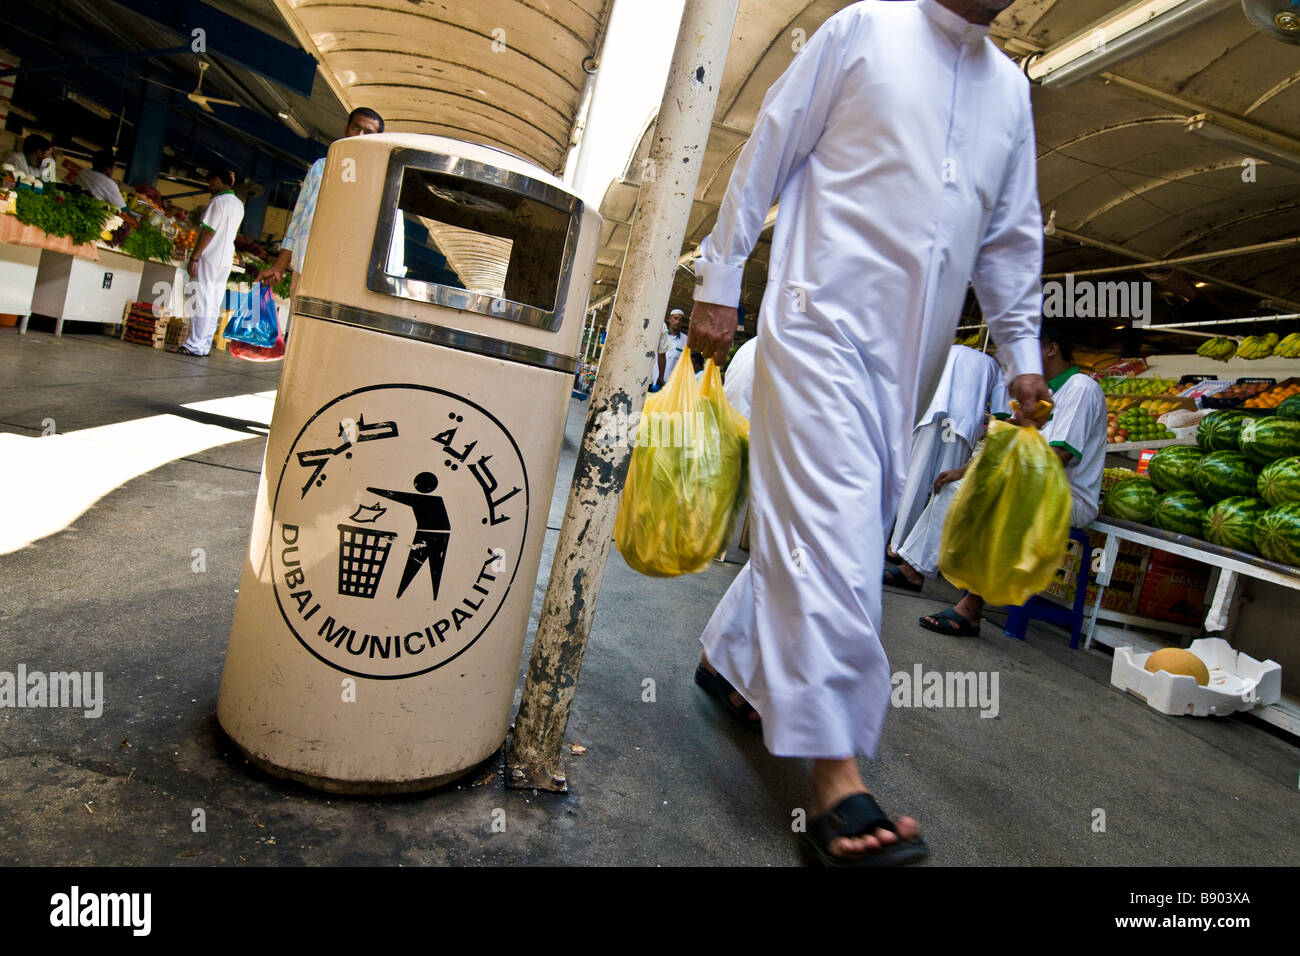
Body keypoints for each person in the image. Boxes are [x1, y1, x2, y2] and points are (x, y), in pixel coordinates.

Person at [685, 0, 1050, 866]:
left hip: (910, 367)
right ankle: (838, 782)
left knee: (839, 528)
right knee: (839, 534)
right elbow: (771, 141)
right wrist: (720, 274)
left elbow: (1010, 237)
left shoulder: (1009, 92)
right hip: (818, 328)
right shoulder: (865, 29)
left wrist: (1024, 349)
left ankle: (729, 661)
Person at [905, 321, 1107, 634]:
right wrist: (967, 470)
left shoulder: (1080, 388)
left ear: (1051, 349)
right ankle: (914, 568)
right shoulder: (1043, 393)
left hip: (1069, 496)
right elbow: (1013, 445)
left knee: (998, 499)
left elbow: (1059, 457)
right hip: (1038, 485)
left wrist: (995, 476)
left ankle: (972, 608)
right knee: (954, 485)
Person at [883, 343, 1007, 590]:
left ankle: (897, 547)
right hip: (961, 426)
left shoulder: (949, 349)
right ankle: (923, 558)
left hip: (932, 416)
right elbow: (1002, 413)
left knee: (915, 484)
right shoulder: (993, 367)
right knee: (943, 495)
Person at [255, 107, 385, 295]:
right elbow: (299, 219)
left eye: (368, 132)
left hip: (347, 278)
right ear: (346, 129)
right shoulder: (321, 167)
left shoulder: (379, 179)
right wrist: (279, 266)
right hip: (306, 269)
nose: (359, 135)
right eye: (356, 128)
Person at [173, 169, 244, 356]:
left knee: (201, 300)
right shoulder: (238, 204)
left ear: (218, 179)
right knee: (213, 302)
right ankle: (203, 345)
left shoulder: (218, 202)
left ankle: (194, 345)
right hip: (225, 258)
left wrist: (195, 256)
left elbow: (208, 231)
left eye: (210, 182)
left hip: (210, 256)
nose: (208, 187)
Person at [652, 308, 688, 389]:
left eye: (680, 320)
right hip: (656, 380)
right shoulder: (660, 335)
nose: (677, 322)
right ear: (669, 319)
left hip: (673, 384)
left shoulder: (686, 340)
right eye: (675, 318)